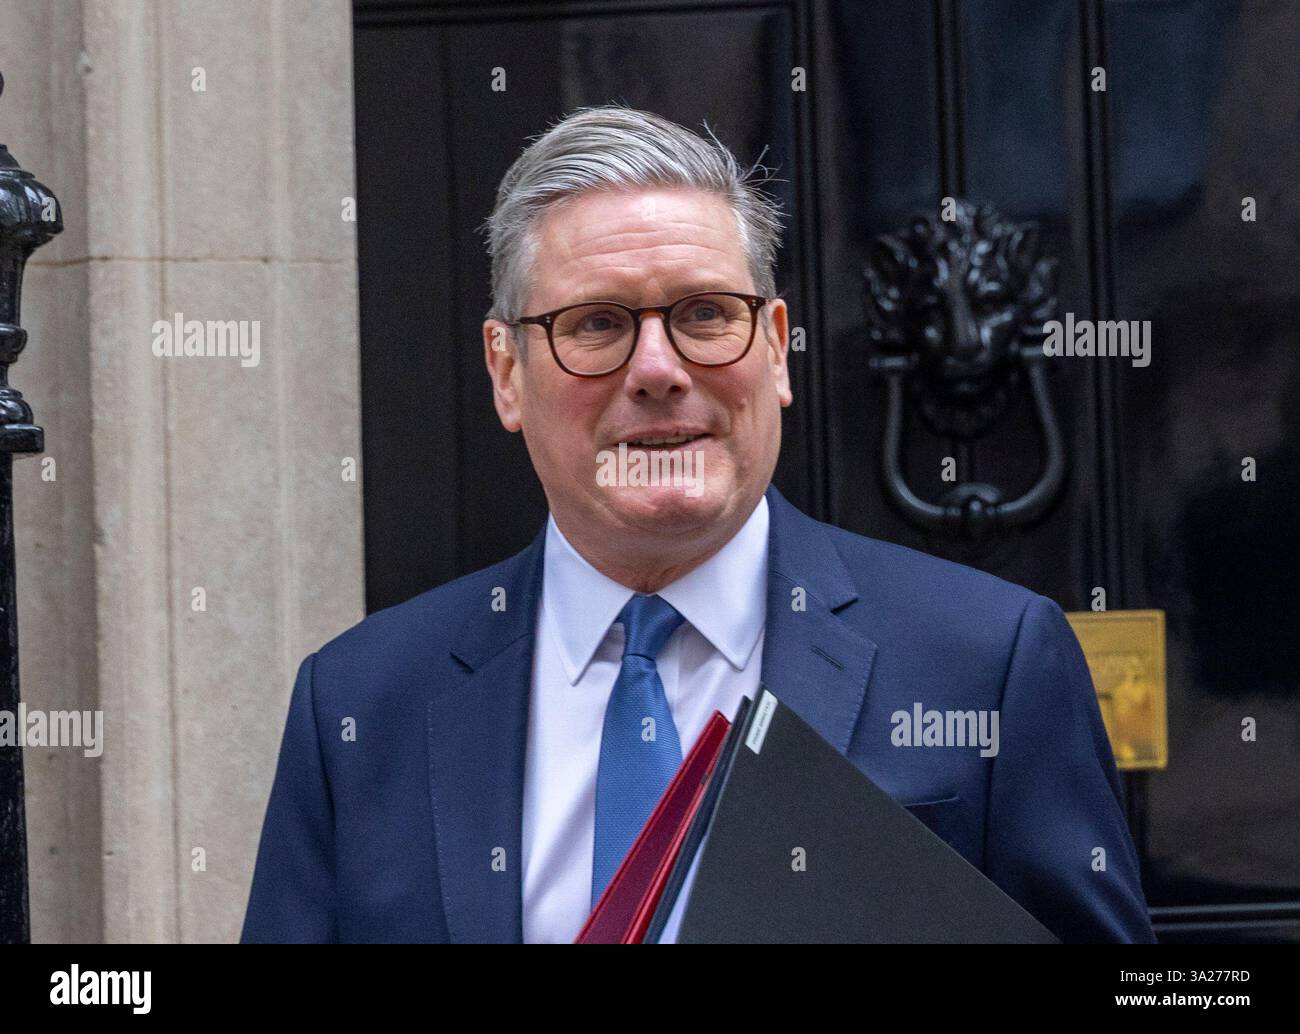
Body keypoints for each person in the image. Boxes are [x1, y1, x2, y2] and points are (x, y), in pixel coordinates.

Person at [240, 105, 1155, 944]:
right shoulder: (359, 706)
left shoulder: (986, 662)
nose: (658, 369)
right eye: (596, 324)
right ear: (506, 374)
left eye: (706, 314)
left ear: (776, 347)